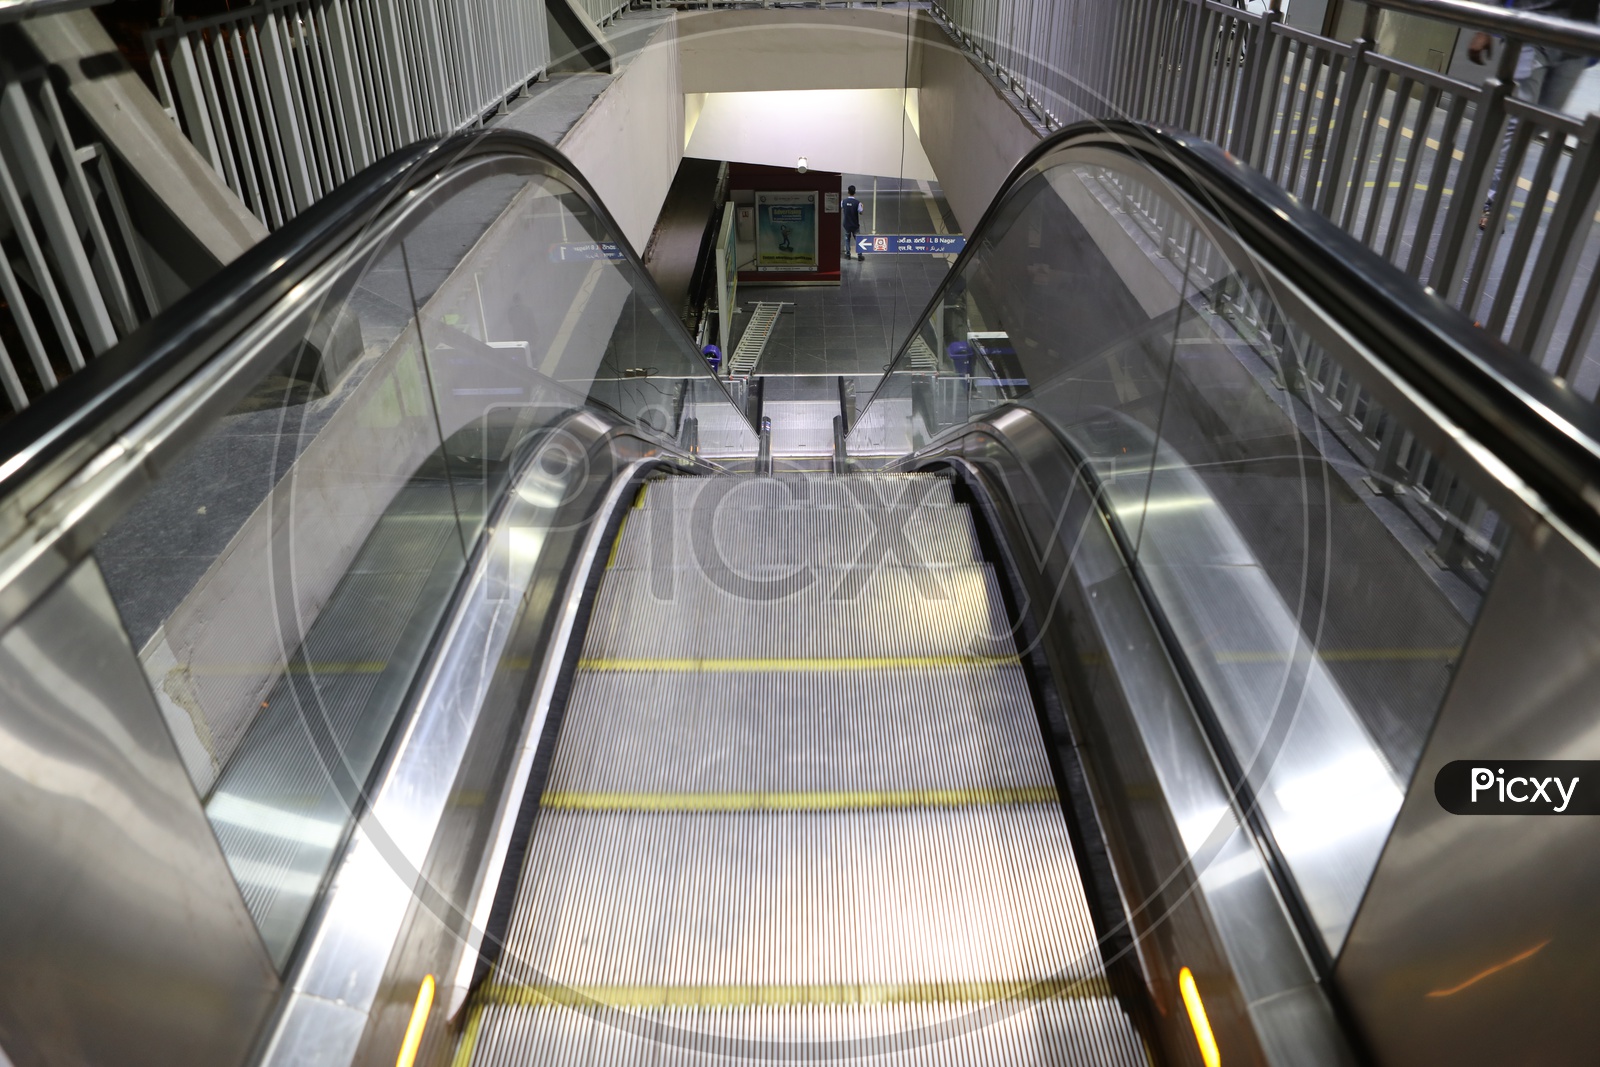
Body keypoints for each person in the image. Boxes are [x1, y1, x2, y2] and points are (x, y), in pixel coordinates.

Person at [1470, 0, 1598, 228]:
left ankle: (1491, 173)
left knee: (1542, 123)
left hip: (1576, 41)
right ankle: (1492, 200)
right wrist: (1485, 26)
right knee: (1518, 122)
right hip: (1532, 29)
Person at [842, 185, 865, 261]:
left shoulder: (843, 201)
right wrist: (862, 206)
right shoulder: (857, 203)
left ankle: (848, 254)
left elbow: (841, 207)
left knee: (847, 239)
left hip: (846, 225)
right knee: (858, 240)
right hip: (855, 225)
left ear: (848, 192)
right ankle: (860, 255)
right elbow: (861, 212)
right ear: (854, 192)